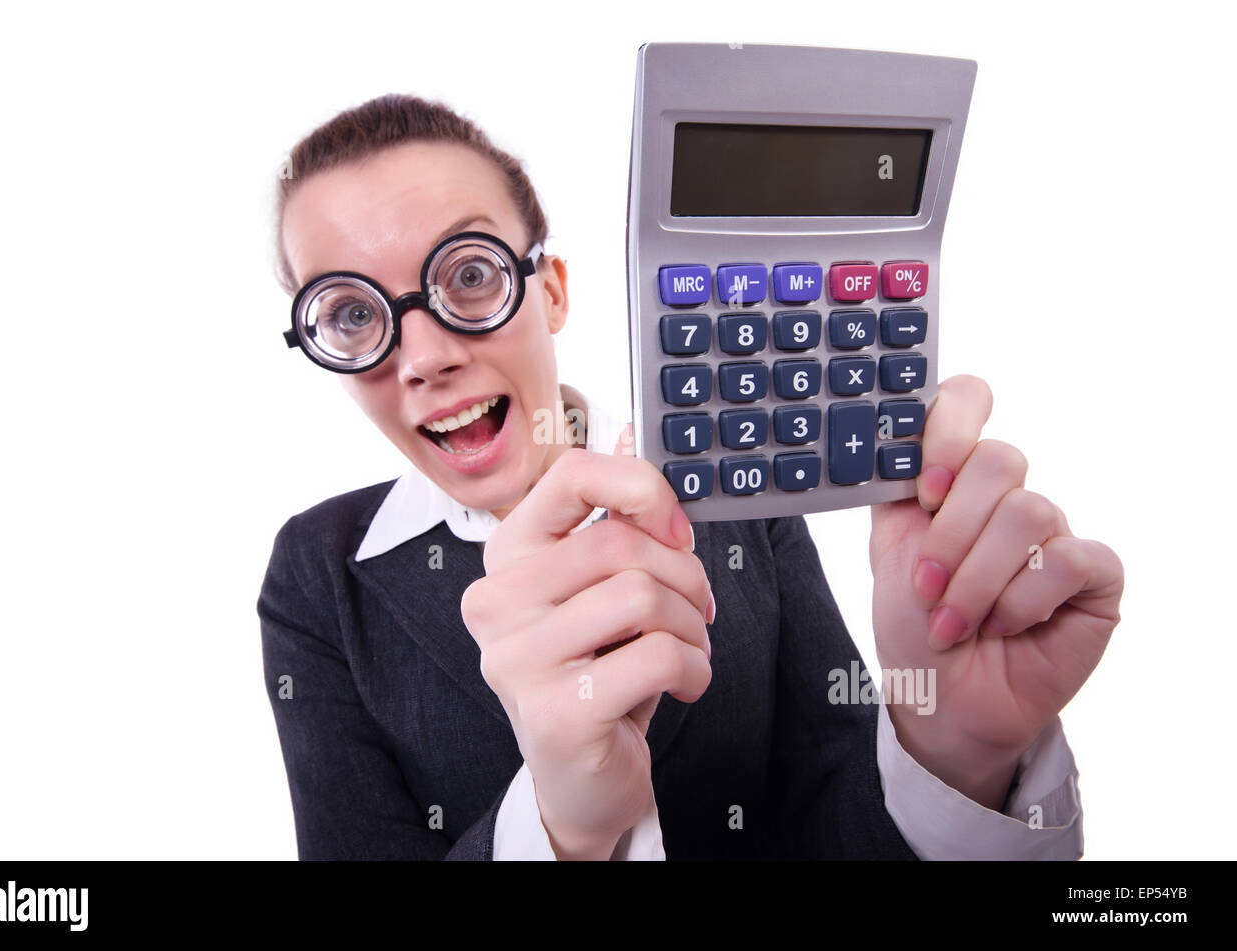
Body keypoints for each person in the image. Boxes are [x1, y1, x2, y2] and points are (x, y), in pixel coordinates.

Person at [258, 93, 1124, 860]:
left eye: (471, 275)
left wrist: (953, 752)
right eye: (349, 314)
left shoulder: (722, 489)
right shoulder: (317, 573)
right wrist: (563, 827)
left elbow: (832, 816)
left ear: (551, 289)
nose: (426, 356)